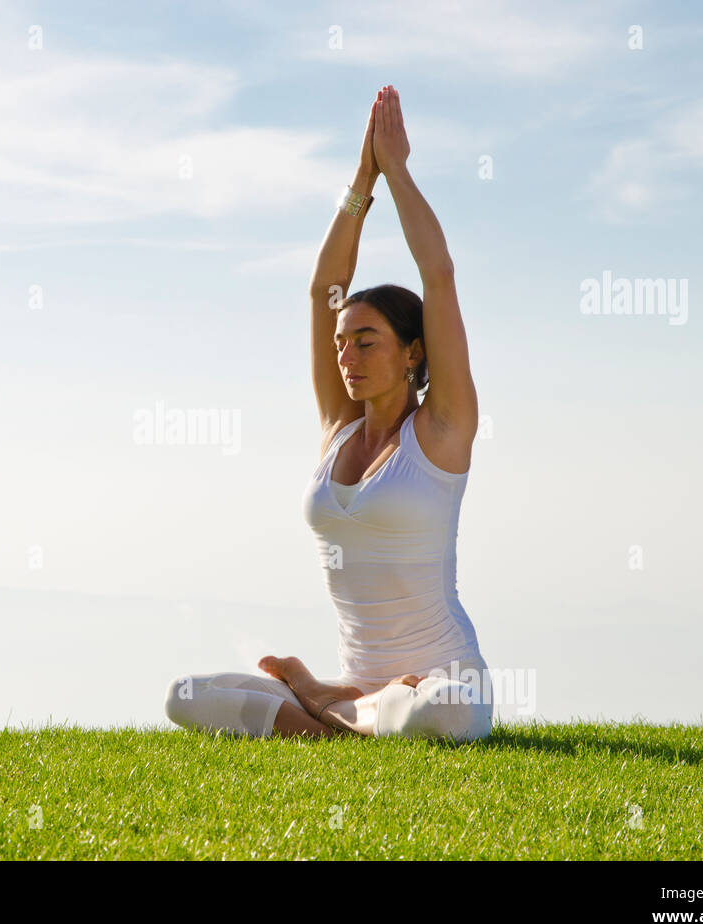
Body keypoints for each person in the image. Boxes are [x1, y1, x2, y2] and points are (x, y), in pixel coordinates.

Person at [164, 84, 493, 742]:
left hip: (441, 678)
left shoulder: (441, 430)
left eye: (366, 340)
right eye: (342, 343)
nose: (347, 355)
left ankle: (322, 706)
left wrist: (396, 169)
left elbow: (440, 276)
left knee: (440, 712)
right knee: (185, 696)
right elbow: (324, 291)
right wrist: (359, 181)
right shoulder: (335, 430)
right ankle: (342, 710)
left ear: (412, 353)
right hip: (364, 683)